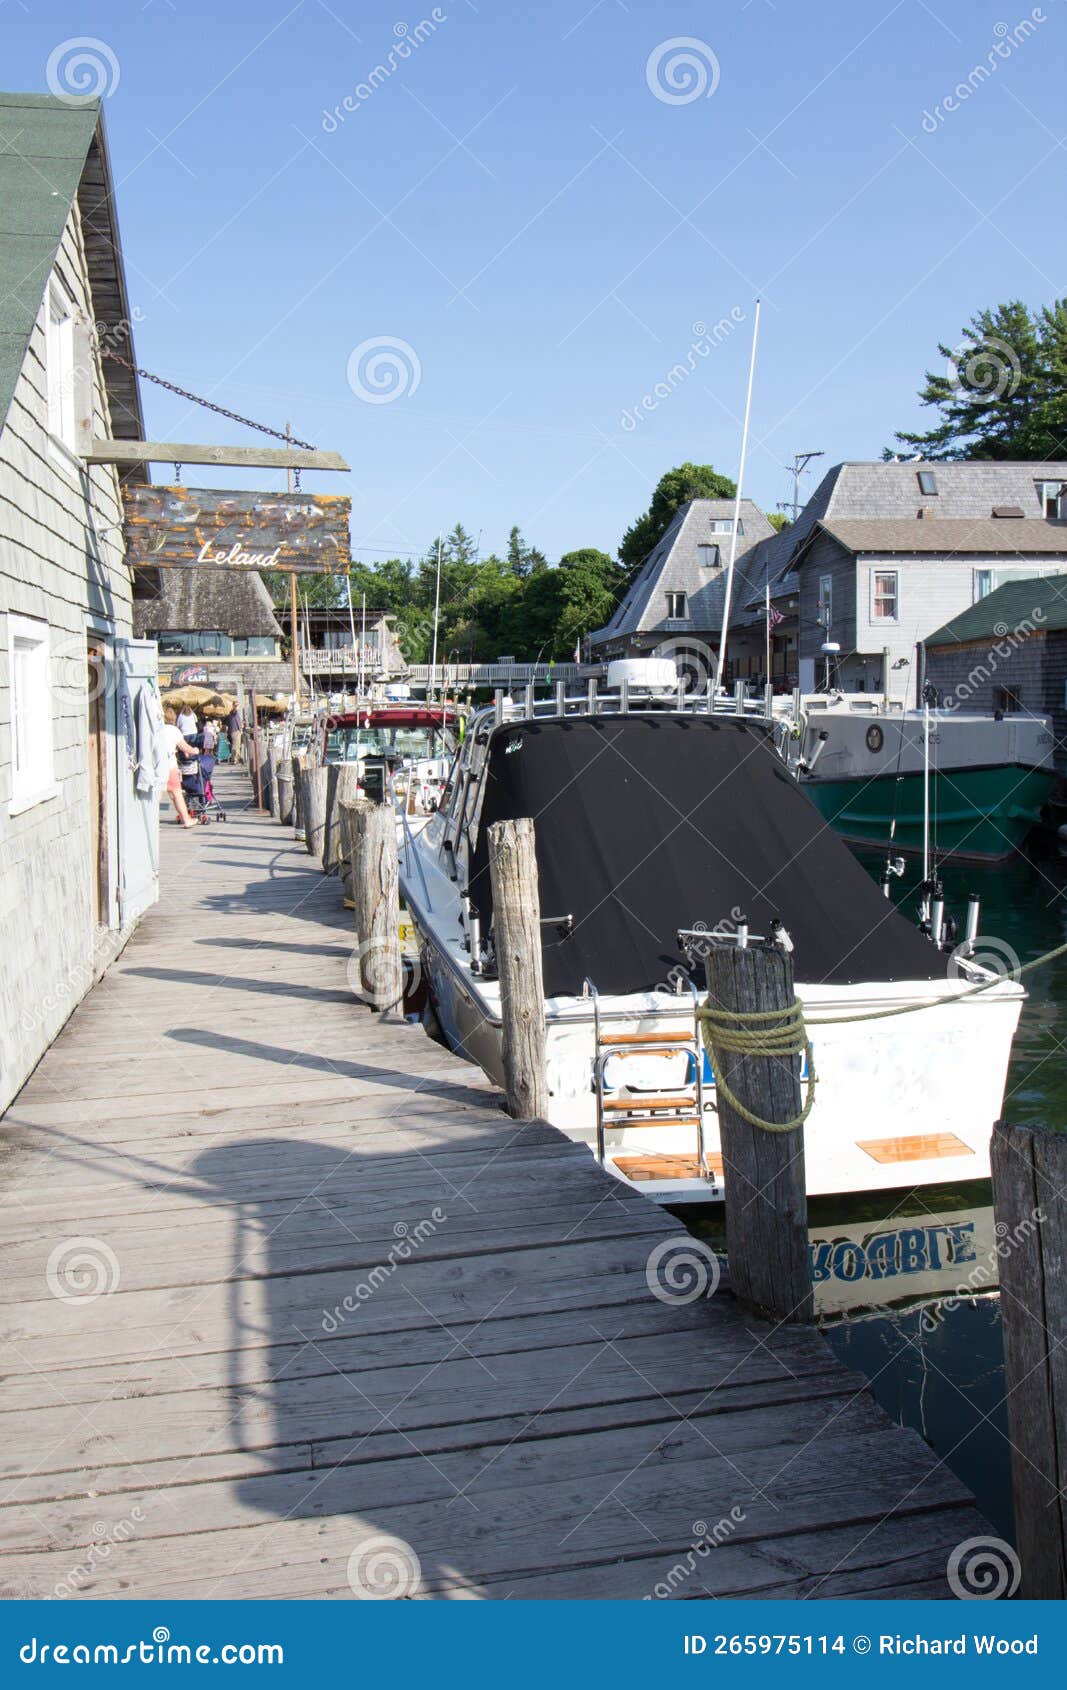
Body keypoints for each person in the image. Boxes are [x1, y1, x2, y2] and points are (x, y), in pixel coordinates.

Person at [161, 707, 199, 828]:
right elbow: (184, 747)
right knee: (176, 793)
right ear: (174, 718)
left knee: (156, 795)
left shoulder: (156, 729)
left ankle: (152, 823)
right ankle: (186, 819)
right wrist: (195, 750)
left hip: (157, 765)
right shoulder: (174, 730)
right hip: (170, 765)